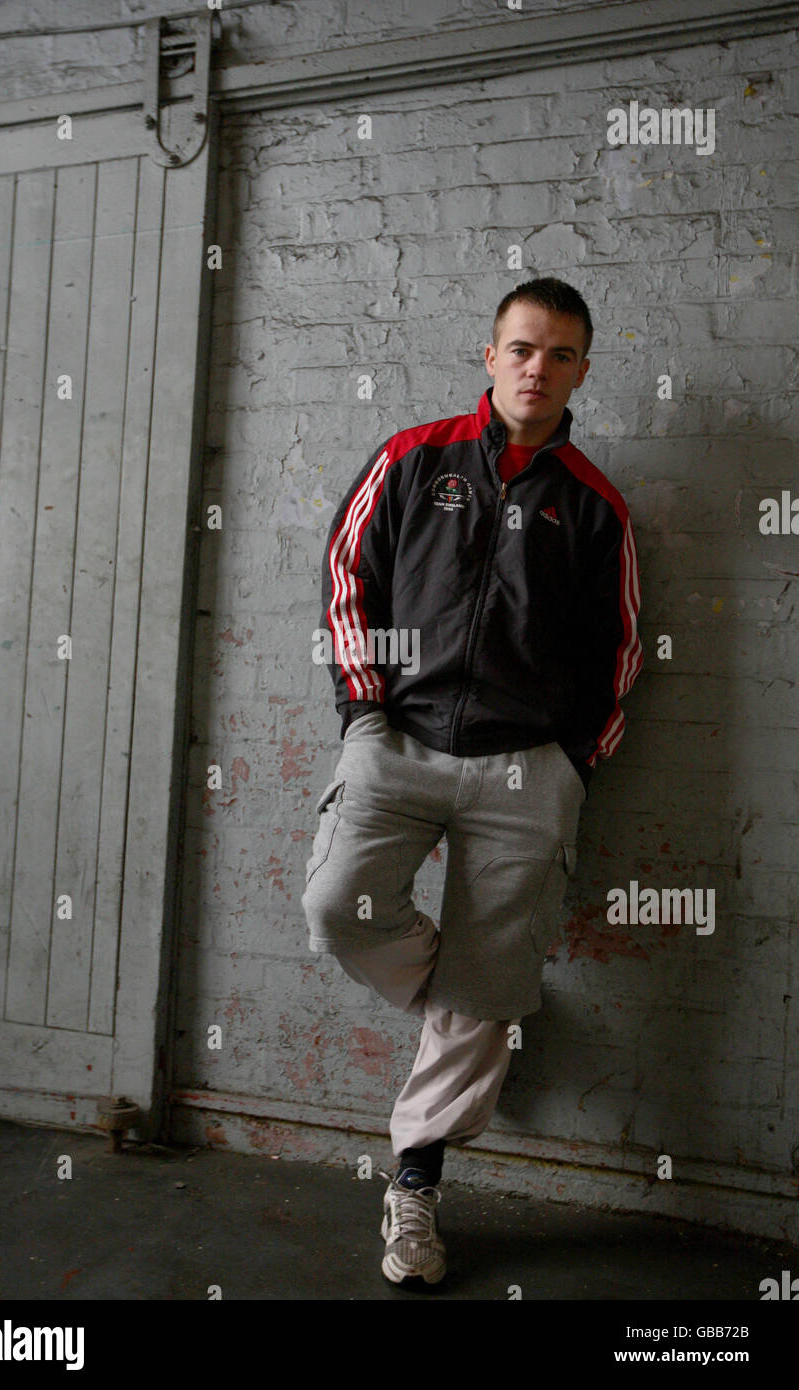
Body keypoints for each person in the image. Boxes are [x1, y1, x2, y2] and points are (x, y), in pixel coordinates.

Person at [301, 277, 643, 1289]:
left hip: (524, 769)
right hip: (396, 740)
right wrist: (364, 712)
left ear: (581, 370)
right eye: (522, 348)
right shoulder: (414, 458)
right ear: (490, 356)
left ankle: (414, 1188)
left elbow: (621, 647)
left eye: (560, 354)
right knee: (337, 908)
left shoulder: (594, 504)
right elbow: (347, 578)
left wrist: (572, 761)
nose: (538, 367)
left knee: (485, 985)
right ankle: (483, 1005)